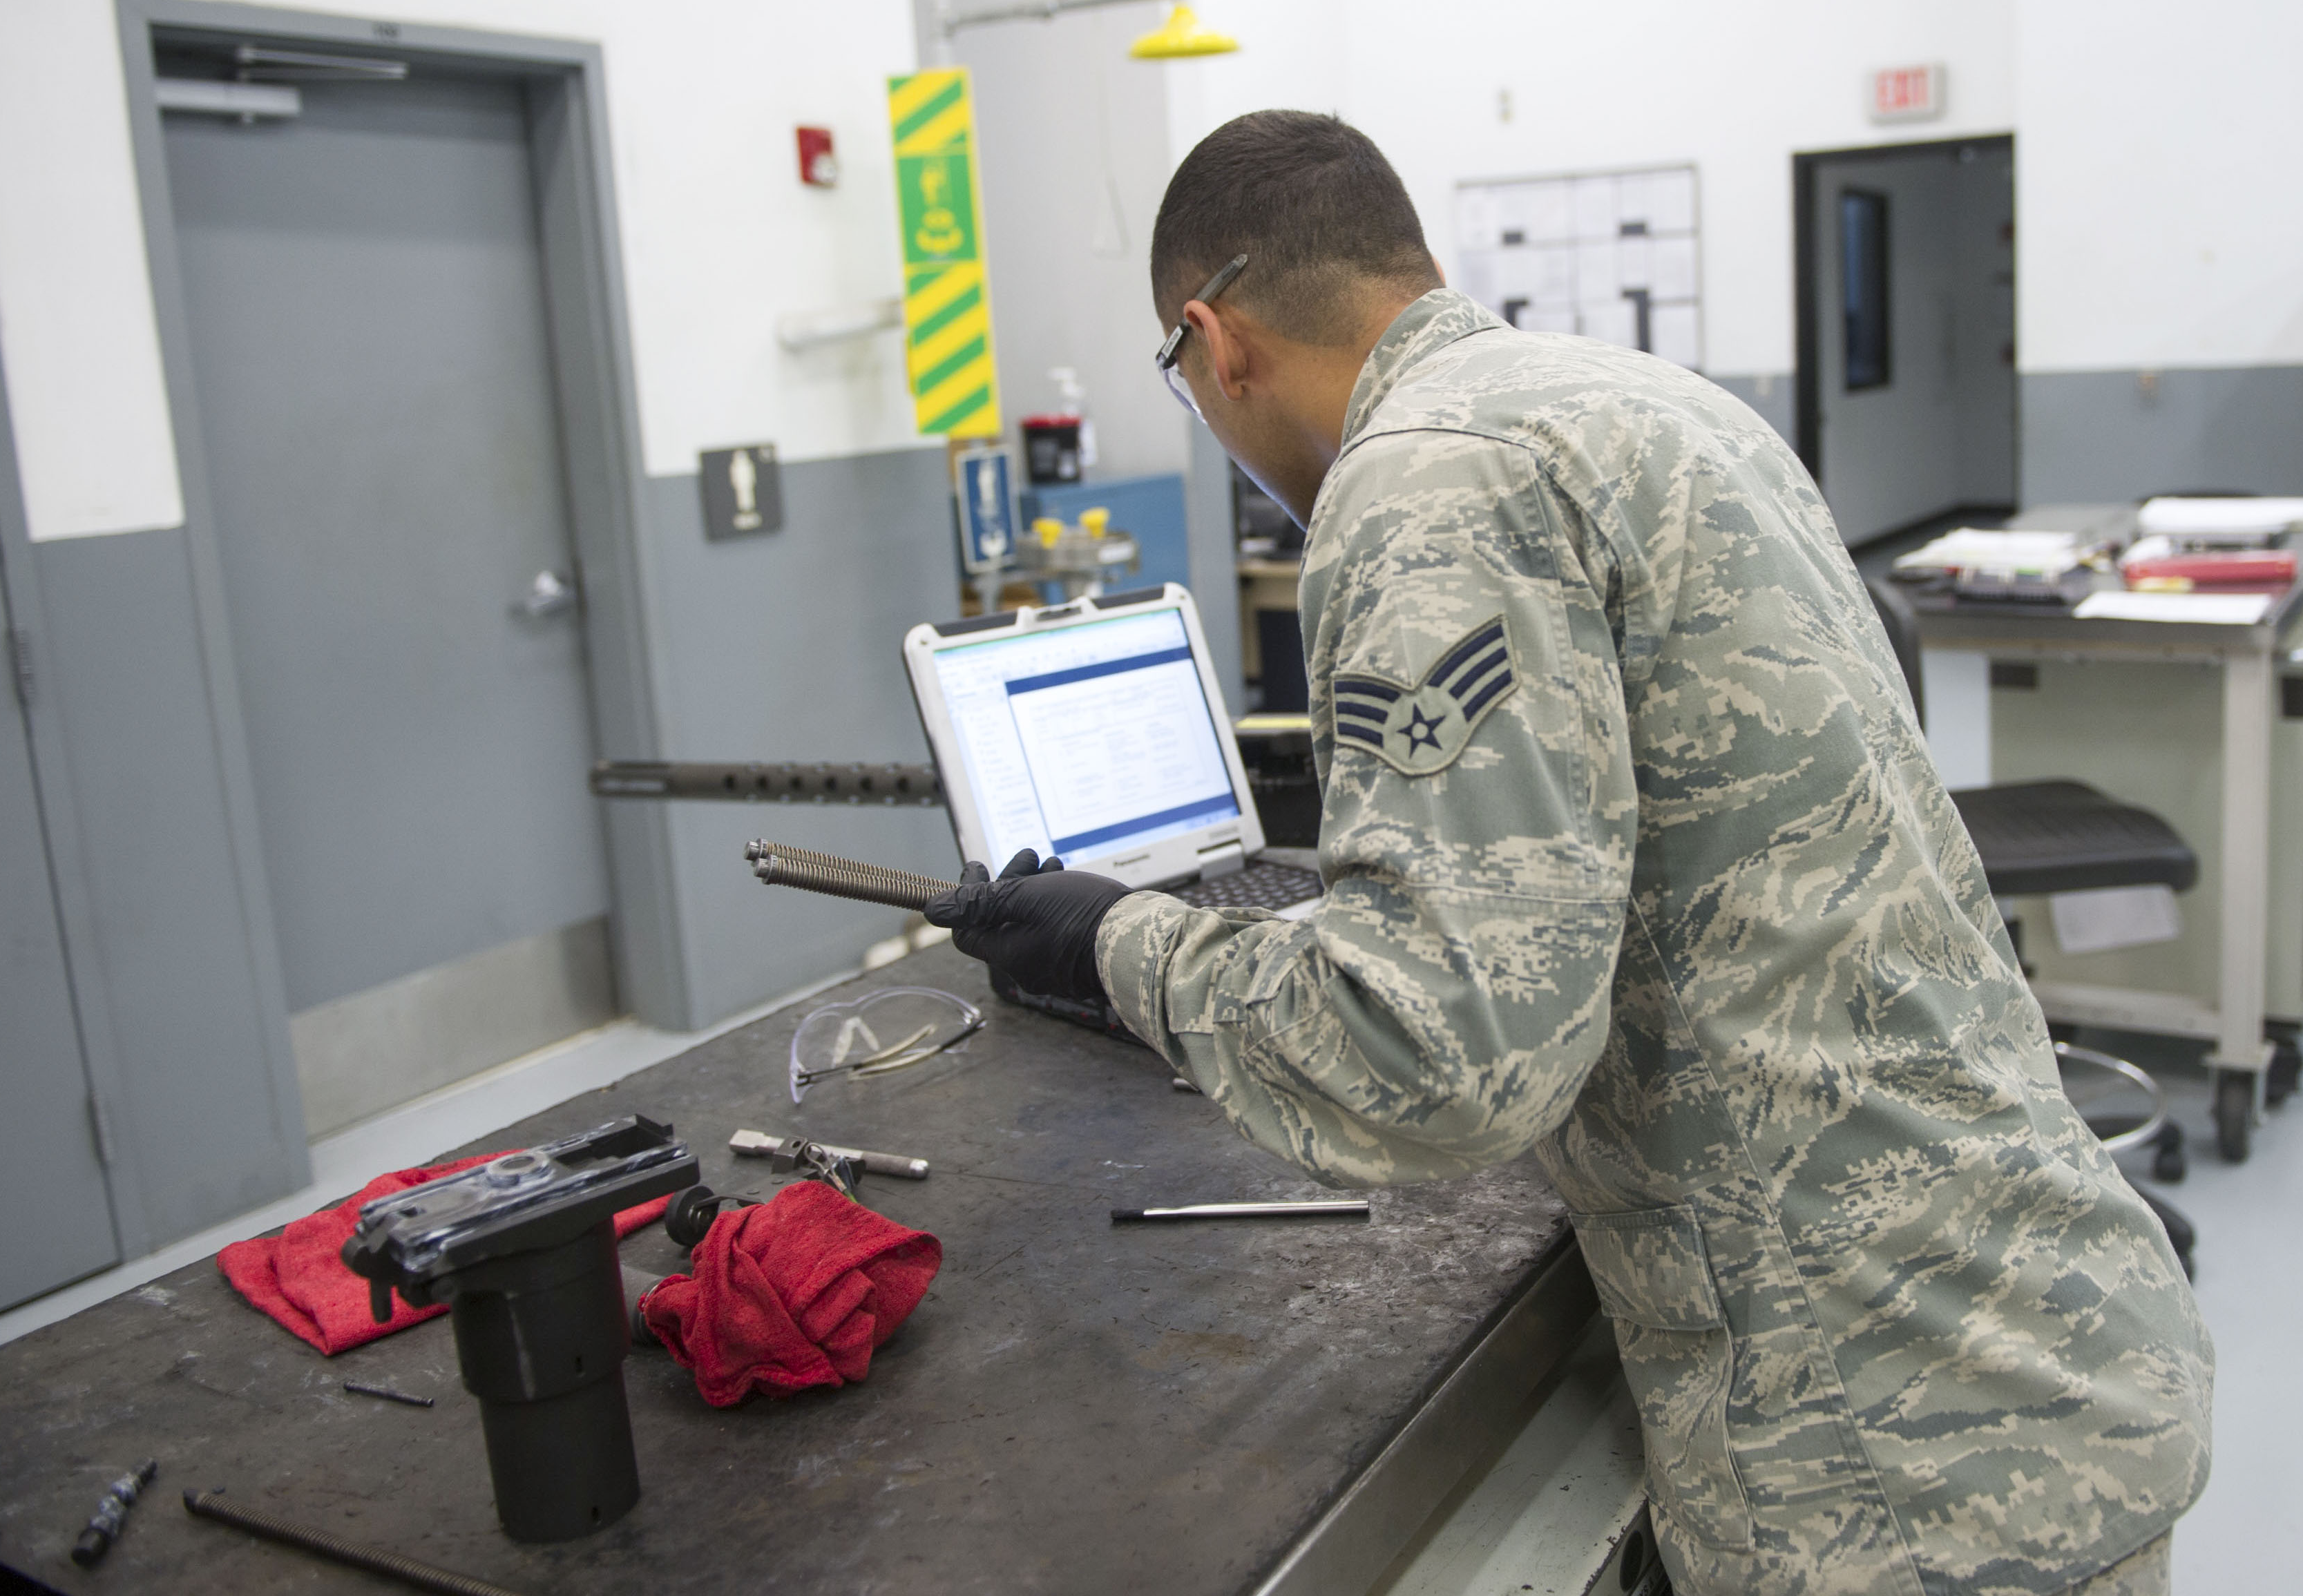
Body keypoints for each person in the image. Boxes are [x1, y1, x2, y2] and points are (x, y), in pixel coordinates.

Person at [926, 110, 2211, 1596]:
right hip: (2027, 1335)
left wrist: (1109, 943)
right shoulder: (1654, 404)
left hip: (1884, 1458)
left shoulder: (1416, 482)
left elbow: (1437, 1053)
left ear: (1215, 342)